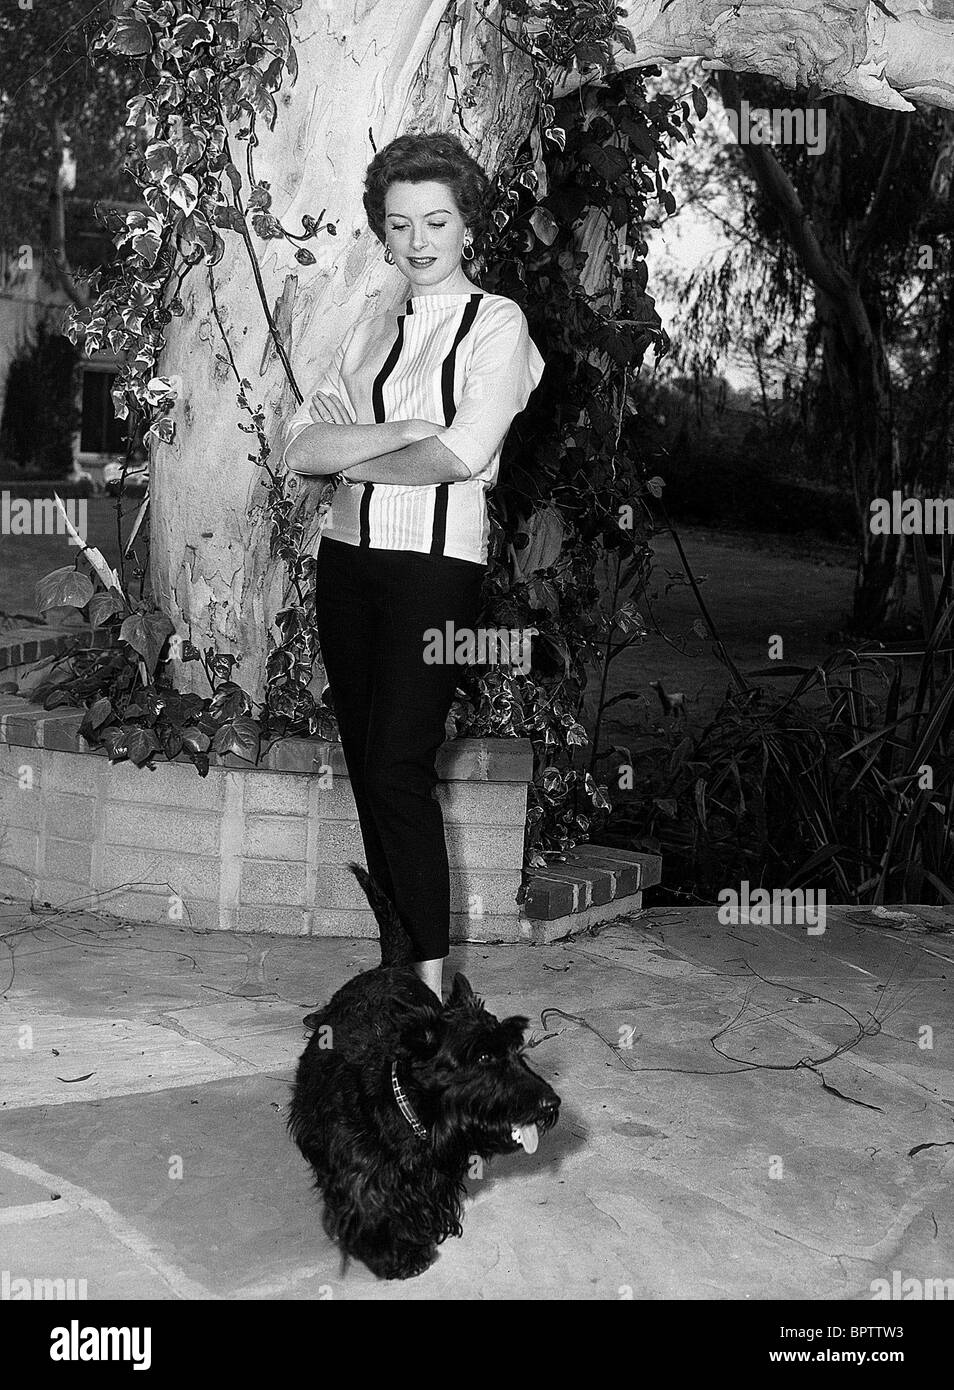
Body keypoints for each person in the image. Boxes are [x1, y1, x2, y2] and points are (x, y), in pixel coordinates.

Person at [283, 131, 545, 1000]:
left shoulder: (498, 323)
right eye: (400, 225)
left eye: (437, 220)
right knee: (367, 762)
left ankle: (430, 995)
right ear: (382, 231)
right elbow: (300, 441)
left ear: (468, 224)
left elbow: (466, 453)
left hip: (435, 569)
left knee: (400, 764)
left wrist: (354, 456)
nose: (419, 241)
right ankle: (400, 971)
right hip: (347, 562)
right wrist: (396, 435)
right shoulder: (372, 321)